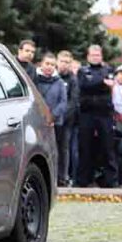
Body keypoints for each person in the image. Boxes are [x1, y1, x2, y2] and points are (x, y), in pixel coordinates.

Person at [77, 45, 118, 187]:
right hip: (87, 113)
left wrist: (95, 85)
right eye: (93, 55)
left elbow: (109, 85)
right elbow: (84, 85)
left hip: (104, 114)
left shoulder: (108, 70)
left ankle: (110, 181)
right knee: (85, 147)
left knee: (108, 148)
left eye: (98, 55)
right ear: (88, 57)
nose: (96, 57)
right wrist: (101, 83)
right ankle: (83, 180)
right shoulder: (82, 71)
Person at [33, 53, 68, 186]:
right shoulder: (34, 79)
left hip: (54, 122)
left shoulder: (59, 82)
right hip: (37, 121)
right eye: (47, 64)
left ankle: (57, 178)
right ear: (41, 64)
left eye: (52, 65)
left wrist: (52, 116)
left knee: (55, 151)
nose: (49, 67)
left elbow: (63, 102)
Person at [57, 50, 80, 186]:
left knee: (64, 148)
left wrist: (63, 115)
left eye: (67, 62)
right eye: (62, 61)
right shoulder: (53, 77)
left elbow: (73, 100)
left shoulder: (73, 79)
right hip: (52, 120)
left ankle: (63, 176)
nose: (64, 65)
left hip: (66, 121)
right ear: (58, 61)